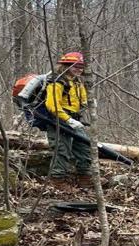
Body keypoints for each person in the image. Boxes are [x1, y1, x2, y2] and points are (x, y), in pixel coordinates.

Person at [45, 51, 93, 184]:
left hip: (75, 118)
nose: (78, 69)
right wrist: (68, 120)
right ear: (66, 66)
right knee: (61, 150)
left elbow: (82, 99)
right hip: (58, 120)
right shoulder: (57, 82)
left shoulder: (77, 82)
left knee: (84, 145)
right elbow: (52, 106)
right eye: (75, 66)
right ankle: (57, 180)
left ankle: (85, 178)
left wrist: (88, 103)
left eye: (81, 67)